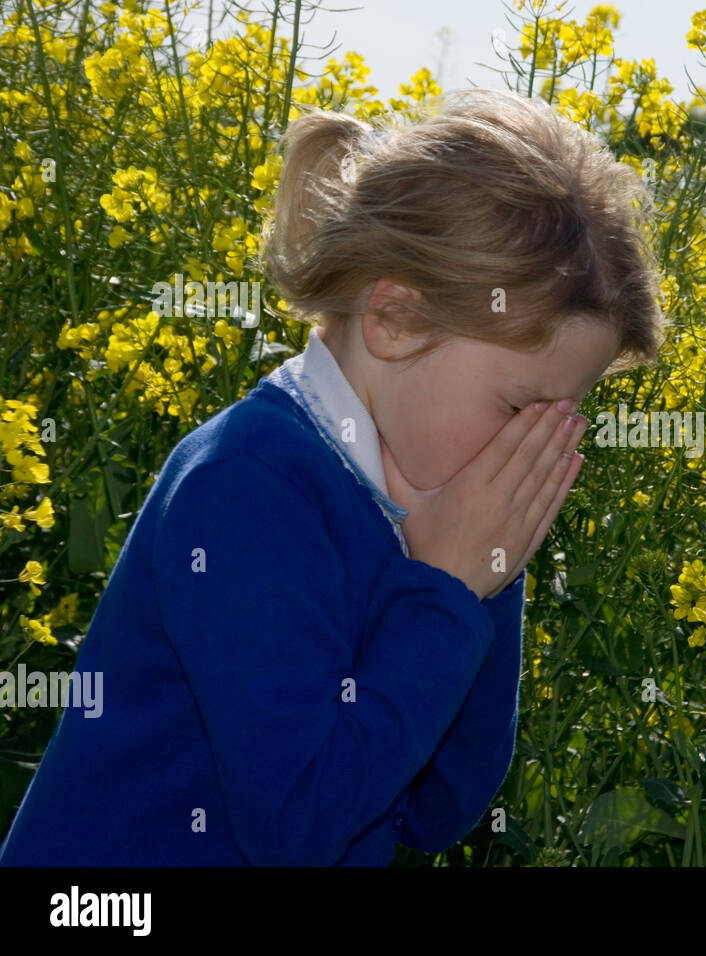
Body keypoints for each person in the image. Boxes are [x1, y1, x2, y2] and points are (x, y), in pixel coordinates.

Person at [0, 87, 666, 865]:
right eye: (520, 406)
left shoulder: (407, 488)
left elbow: (436, 808)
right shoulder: (249, 483)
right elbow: (299, 826)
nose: (536, 447)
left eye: (564, 417)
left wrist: (488, 570)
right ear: (394, 320)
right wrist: (447, 594)